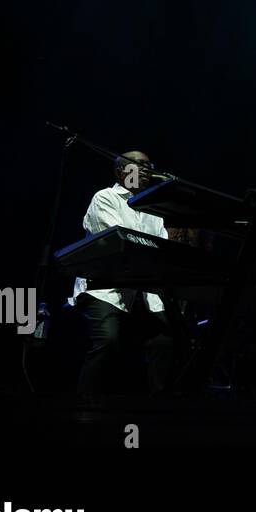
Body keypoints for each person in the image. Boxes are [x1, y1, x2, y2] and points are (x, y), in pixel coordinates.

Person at [72, 151, 178, 397]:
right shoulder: (105, 197)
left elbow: (161, 248)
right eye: (138, 164)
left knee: (166, 342)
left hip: (142, 289)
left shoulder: (154, 208)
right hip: (105, 289)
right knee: (108, 342)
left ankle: (158, 413)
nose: (145, 169)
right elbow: (118, 243)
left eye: (148, 165)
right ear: (120, 172)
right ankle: (85, 406)